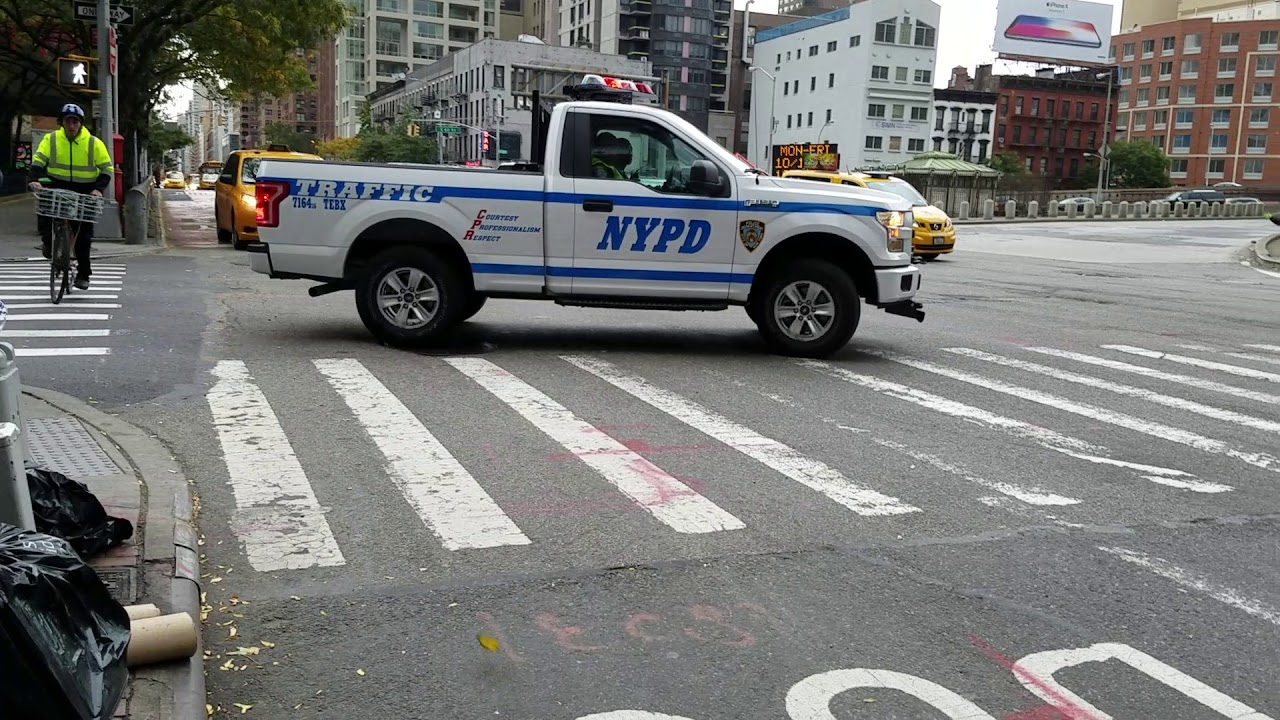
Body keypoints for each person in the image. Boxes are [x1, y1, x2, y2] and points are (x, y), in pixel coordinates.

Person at [27, 103, 114, 290]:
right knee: (44, 214)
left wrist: (98, 189)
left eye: (75, 121)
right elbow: (38, 161)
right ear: (62, 122)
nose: (72, 125)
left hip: (85, 189)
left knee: (84, 235)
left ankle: (84, 273)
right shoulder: (51, 139)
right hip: (56, 185)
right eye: (68, 121)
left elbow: (107, 168)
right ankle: (48, 243)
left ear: (81, 123)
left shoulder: (93, 143)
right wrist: (35, 180)